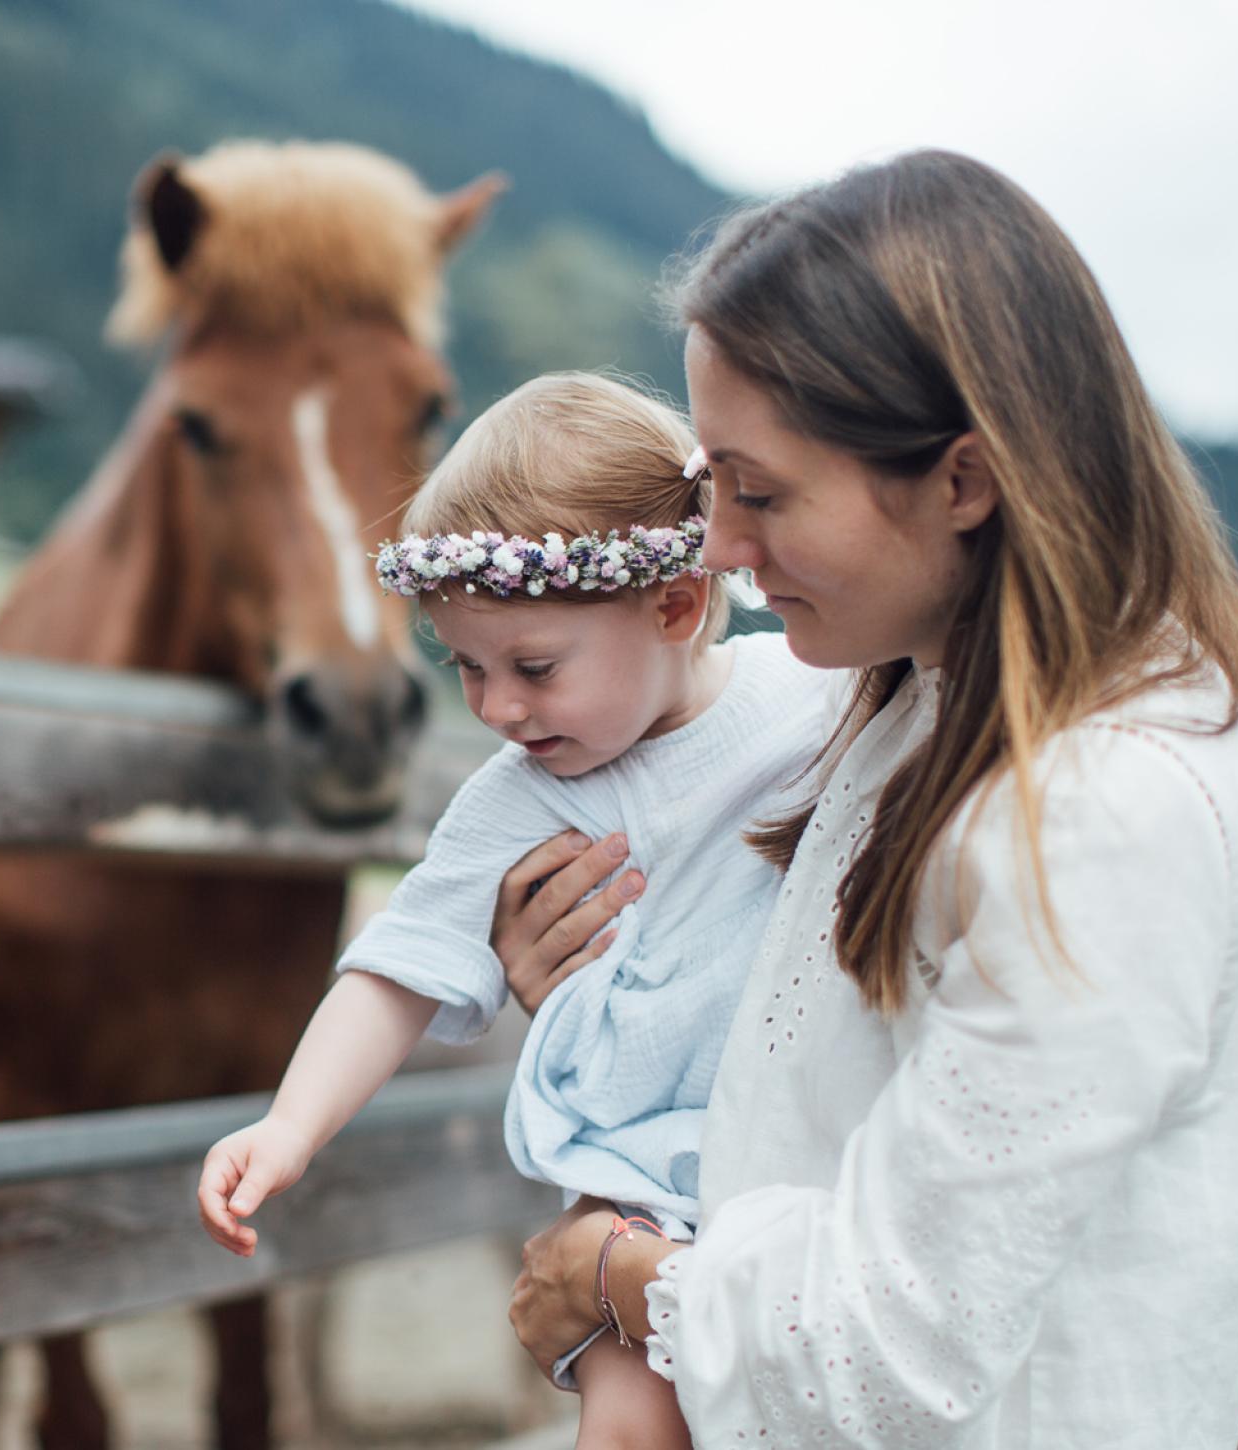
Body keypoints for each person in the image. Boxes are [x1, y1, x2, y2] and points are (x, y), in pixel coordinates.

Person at [499, 150, 1238, 1448]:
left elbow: (890, 1348)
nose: (720, 548)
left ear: (964, 481)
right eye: (714, 490)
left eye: (761, 492)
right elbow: (822, 1078)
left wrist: (617, 1276)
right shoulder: (917, 694)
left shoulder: (1102, 816)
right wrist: (599, 983)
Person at [198, 372, 844, 1450]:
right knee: (633, 1424)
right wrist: (290, 1122)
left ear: (676, 607)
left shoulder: (815, 697)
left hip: (808, 1142)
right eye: (465, 668)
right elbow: (395, 967)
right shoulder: (519, 795)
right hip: (637, 1181)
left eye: (533, 667)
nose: (498, 709)